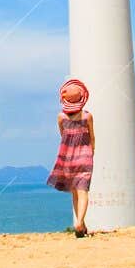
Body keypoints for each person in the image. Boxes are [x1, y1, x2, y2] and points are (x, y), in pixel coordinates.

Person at [46, 78, 95, 236]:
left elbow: (63, 135)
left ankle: (81, 223)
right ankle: (80, 222)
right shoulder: (87, 117)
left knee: (74, 192)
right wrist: (91, 151)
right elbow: (92, 138)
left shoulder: (61, 117)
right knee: (83, 191)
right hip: (85, 157)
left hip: (68, 158)